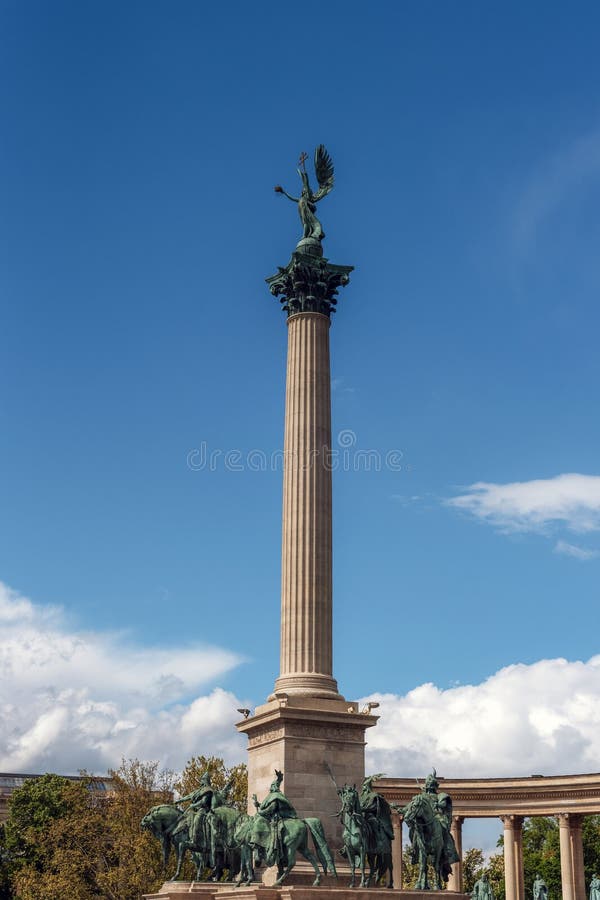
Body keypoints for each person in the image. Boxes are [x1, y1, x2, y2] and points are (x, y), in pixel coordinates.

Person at [359, 774, 394, 853]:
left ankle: (379, 842)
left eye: (365, 785)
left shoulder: (373, 796)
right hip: (361, 817)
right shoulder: (360, 798)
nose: (364, 787)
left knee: (374, 823)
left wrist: (363, 809)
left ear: (368, 786)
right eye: (363, 786)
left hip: (370, 817)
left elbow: (374, 807)